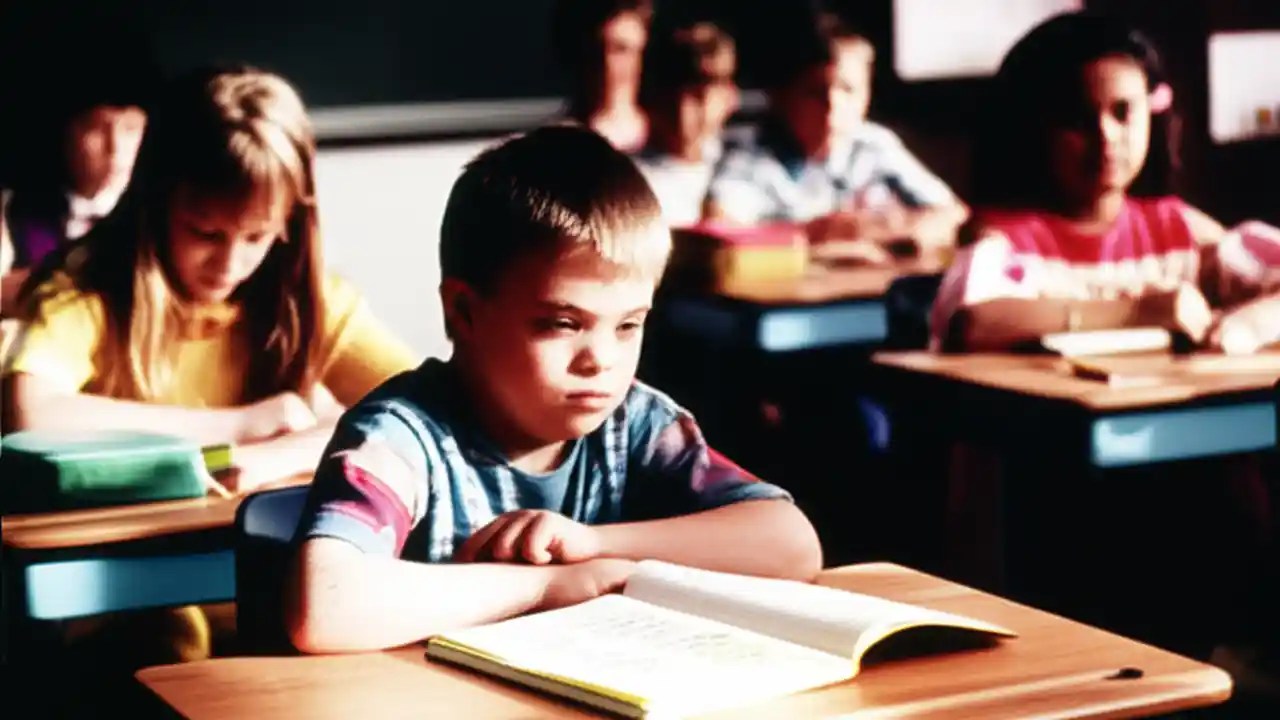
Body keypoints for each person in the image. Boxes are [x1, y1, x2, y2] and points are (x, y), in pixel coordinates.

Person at [285, 126, 823, 653]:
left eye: (628, 325)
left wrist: (595, 545)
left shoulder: (636, 425)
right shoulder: (402, 436)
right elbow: (325, 606)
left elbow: (792, 545)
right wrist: (543, 586)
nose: (601, 359)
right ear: (465, 312)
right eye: (563, 324)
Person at [3, 66, 418, 495]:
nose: (229, 264)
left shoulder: (313, 302)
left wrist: (288, 452)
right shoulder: (89, 293)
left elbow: (433, 410)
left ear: (289, 223)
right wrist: (239, 425)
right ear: (157, 206)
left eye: (257, 236)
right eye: (205, 233)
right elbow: (32, 415)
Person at [931, 11, 1280, 353]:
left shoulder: (1179, 231)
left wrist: (1250, 324)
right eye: (1077, 118)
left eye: (1123, 112)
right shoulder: (1006, 240)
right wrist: (1137, 312)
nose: (1105, 136)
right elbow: (971, 321)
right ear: (1032, 129)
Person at [706, 11, 967, 255]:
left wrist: (898, 232)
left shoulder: (873, 145)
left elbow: (953, 212)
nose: (832, 106)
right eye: (816, 93)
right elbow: (719, 231)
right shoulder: (750, 157)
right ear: (782, 97)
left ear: (866, 97)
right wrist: (815, 233)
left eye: (848, 90)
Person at [635, 20, 739, 226]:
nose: (683, 110)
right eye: (670, 95)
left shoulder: (746, 168)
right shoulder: (627, 181)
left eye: (699, 95)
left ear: (730, 97)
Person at [552, 0, 653, 152]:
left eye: (621, 50)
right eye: (596, 50)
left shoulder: (674, 145)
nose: (607, 64)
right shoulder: (550, 148)